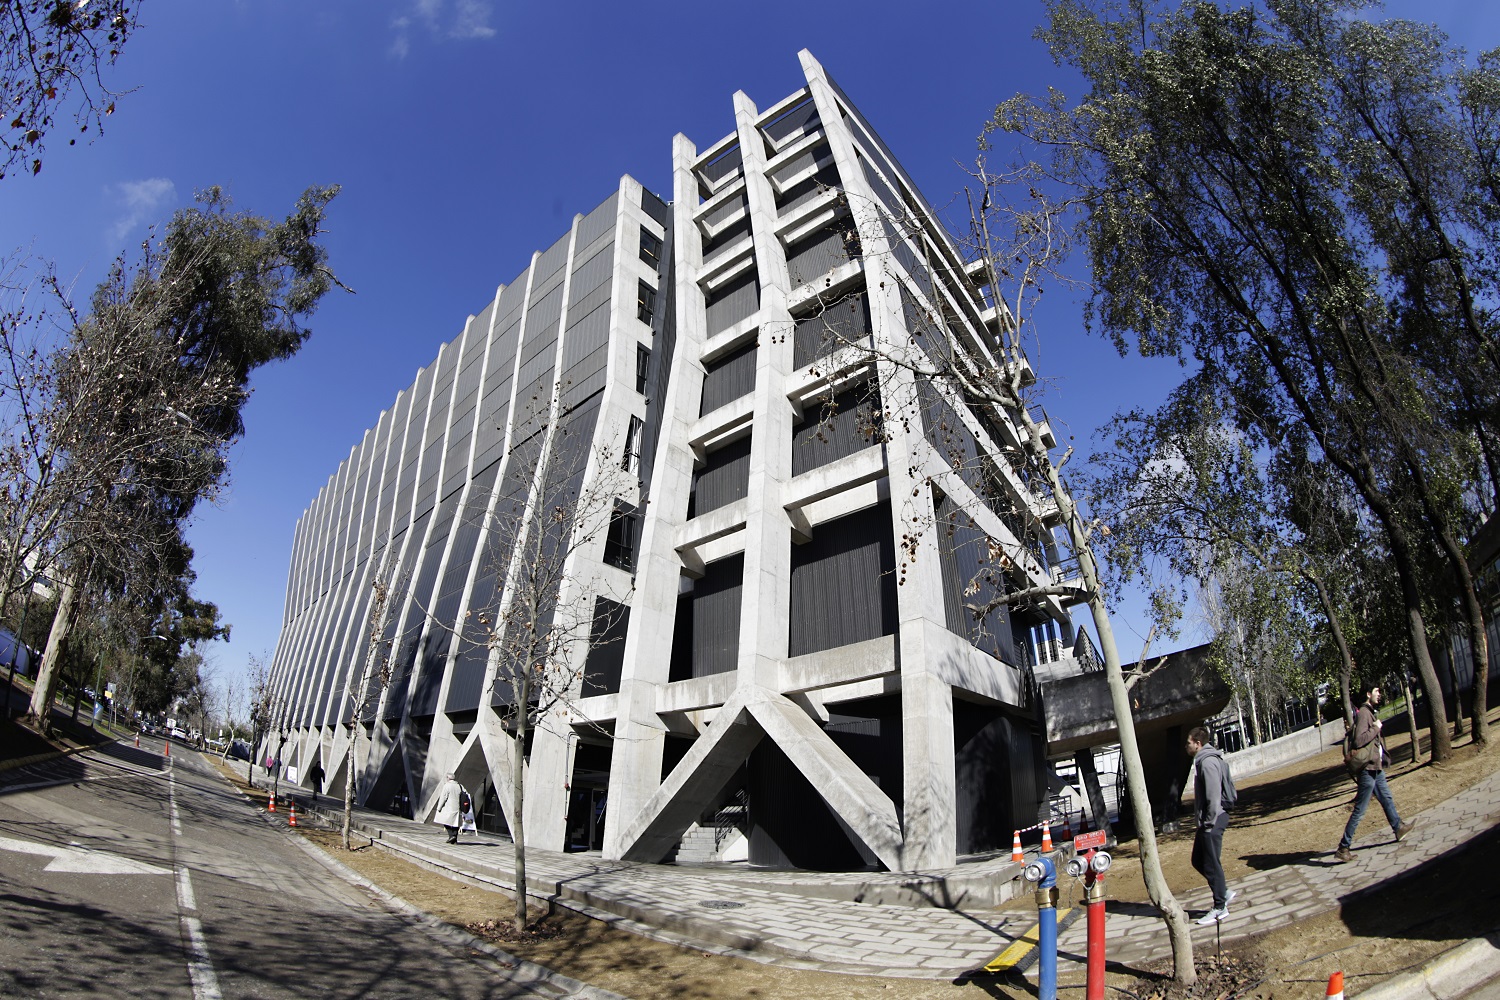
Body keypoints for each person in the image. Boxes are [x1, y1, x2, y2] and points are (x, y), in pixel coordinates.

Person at [1335, 684, 1415, 863]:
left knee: (1386, 798)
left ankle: (1398, 827)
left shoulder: (1369, 711)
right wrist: (1376, 727)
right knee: (1360, 810)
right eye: (1377, 691)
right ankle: (1343, 847)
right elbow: (1359, 740)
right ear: (1368, 694)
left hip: (1375, 767)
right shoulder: (1364, 713)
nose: (1380, 694)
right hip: (1368, 769)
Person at [1186, 726, 1237, 925]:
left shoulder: (1207, 763)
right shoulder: (1204, 760)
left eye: (1188, 742)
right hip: (1210, 820)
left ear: (1197, 744)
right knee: (1198, 859)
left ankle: (1219, 907)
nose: (1186, 746)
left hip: (1214, 820)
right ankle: (1223, 891)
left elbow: (1213, 796)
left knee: (1211, 862)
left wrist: (1208, 822)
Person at [433, 772, 463, 845]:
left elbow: (443, 797)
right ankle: (454, 839)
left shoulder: (447, 786)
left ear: (448, 778)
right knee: (456, 823)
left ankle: (452, 836)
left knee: (445, 821)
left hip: (449, 807)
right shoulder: (459, 786)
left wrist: (439, 807)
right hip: (458, 807)